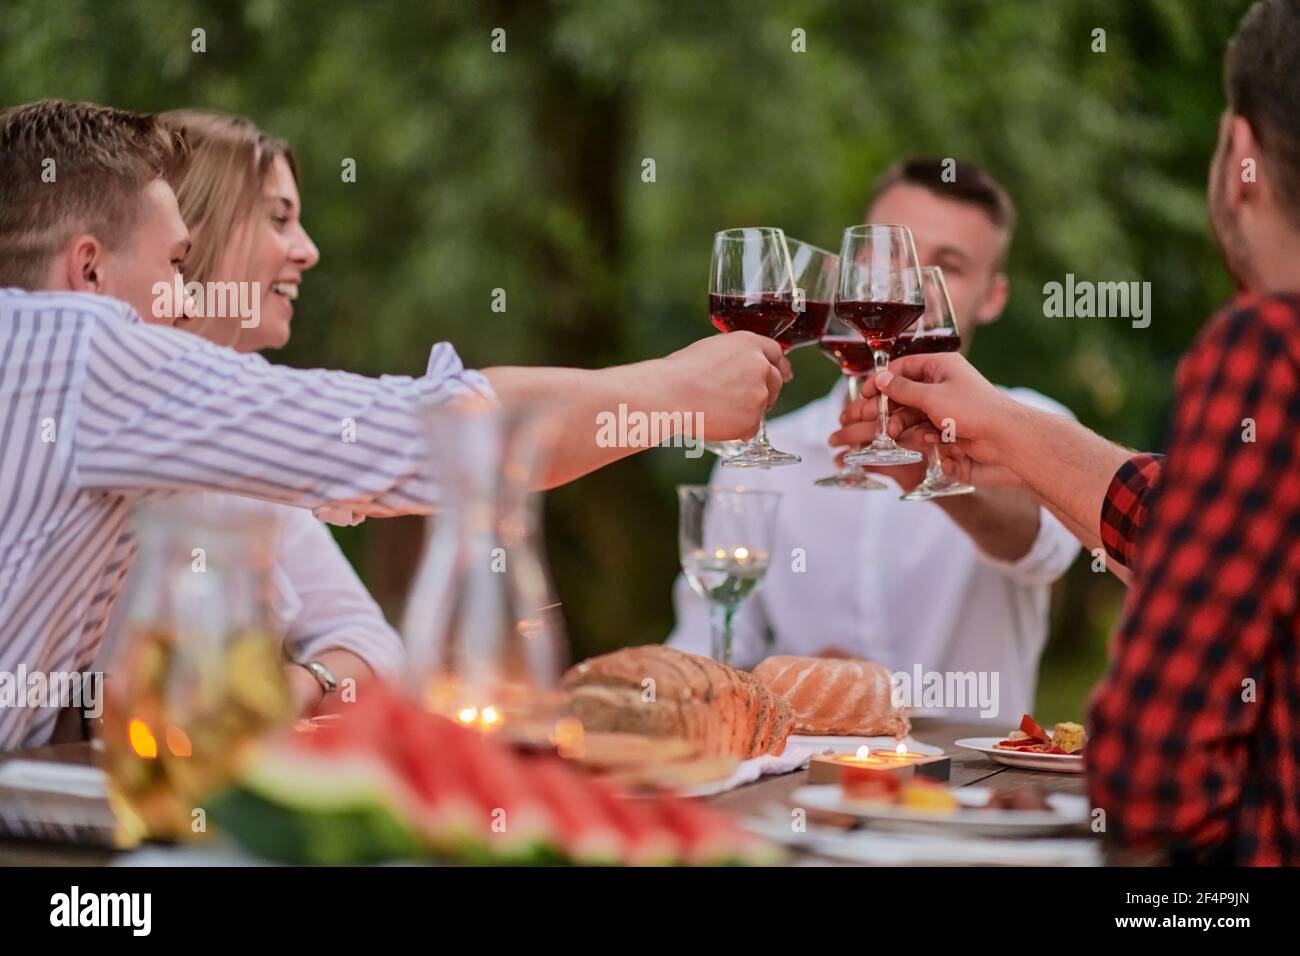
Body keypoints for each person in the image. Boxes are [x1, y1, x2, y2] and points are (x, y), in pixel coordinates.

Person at [0, 98, 787, 748]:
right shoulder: (83, 350)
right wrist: (676, 389)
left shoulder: (65, 378)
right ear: (90, 271)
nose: (181, 298)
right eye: (175, 264)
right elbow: (430, 440)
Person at [843, 0, 1300, 864]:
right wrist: (1005, 428)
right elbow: (1197, 524)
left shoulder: (1269, 349)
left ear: (1241, 156)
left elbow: (1150, 779)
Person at [667, 158, 1080, 721]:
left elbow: (1040, 551)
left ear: (993, 296)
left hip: (975, 793)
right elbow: (712, 646)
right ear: (847, 277)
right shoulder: (759, 457)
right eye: (887, 258)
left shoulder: (1036, 422)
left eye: (948, 266)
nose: (908, 282)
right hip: (793, 797)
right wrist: (809, 688)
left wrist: (936, 472)